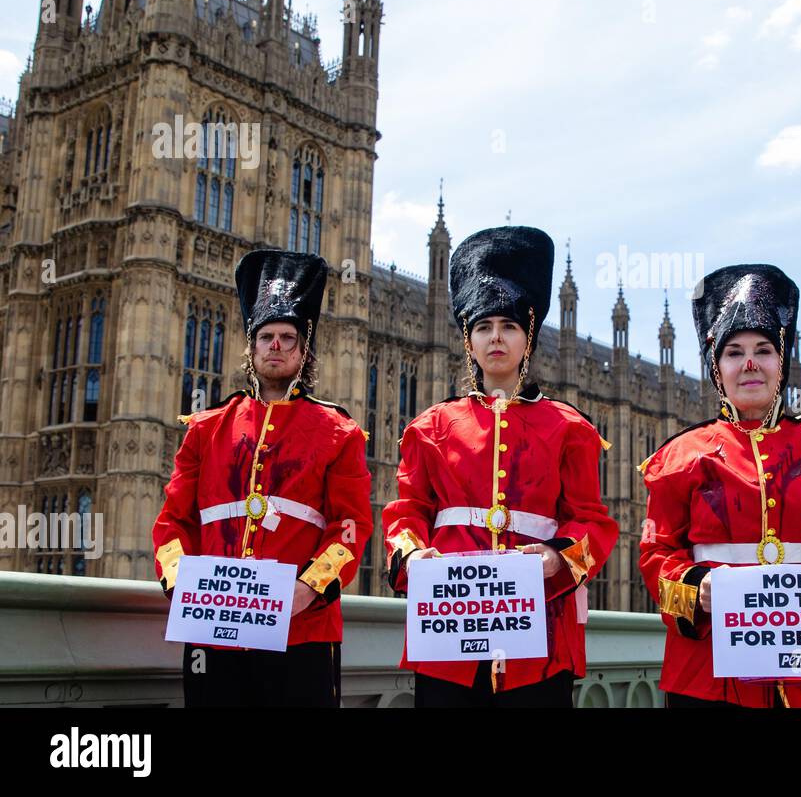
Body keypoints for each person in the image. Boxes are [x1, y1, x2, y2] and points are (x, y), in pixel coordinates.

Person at [382, 226, 617, 707]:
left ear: (527, 340)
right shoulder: (431, 426)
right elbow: (407, 512)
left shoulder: (569, 427)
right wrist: (412, 555)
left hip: (542, 641)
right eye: (484, 327)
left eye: (509, 327)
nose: (496, 338)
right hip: (447, 635)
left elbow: (592, 521)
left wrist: (558, 556)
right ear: (468, 341)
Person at [638, 264, 801, 708]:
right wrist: (696, 588)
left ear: (782, 362)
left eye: (763, 350)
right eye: (734, 352)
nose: (749, 363)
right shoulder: (681, 456)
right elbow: (657, 556)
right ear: (717, 367)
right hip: (709, 675)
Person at [153, 250, 373, 707]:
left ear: (303, 349)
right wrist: (180, 583)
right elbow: (173, 521)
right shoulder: (205, 428)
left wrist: (308, 589)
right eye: (266, 336)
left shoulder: (339, 433)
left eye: (287, 338)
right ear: (251, 348)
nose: (275, 345)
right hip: (213, 632)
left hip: (303, 629)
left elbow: (350, 528)